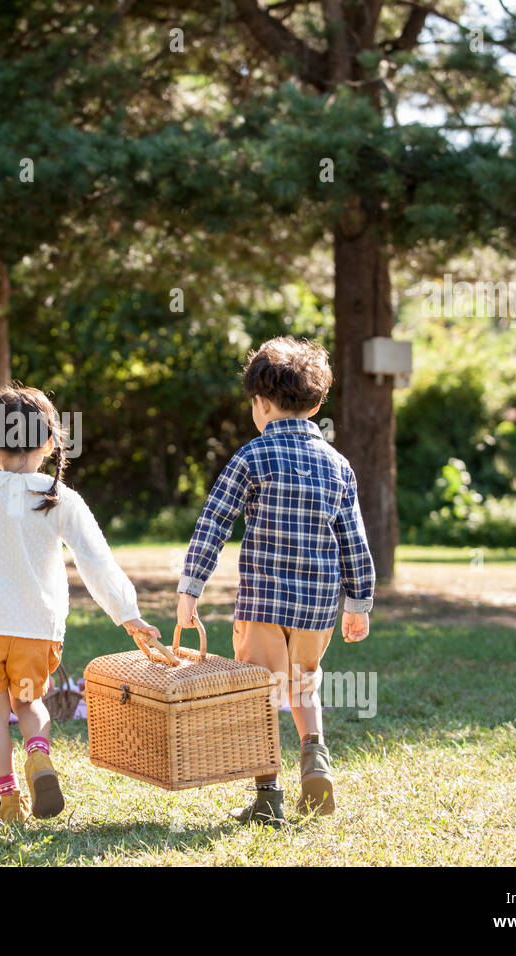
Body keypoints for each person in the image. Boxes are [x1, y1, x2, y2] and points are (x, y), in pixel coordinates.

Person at [0, 385, 161, 824]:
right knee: (29, 703)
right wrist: (128, 613)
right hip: (35, 633)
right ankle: (40, 756)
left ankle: (9, 797)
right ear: (49, 444)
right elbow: (97, 562)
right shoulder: (61, 498)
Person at [176, 337, 375, 827]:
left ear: (261, 404)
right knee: (305, 679)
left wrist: (190, 588)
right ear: (316, 403)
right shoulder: (338, 465)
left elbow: (214, 524)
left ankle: (268, 795)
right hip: (317, 607)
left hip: (263, 603)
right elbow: (354, 539)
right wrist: (360, 602)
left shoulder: (252, 457)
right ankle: (315, 755)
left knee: (259, 694)